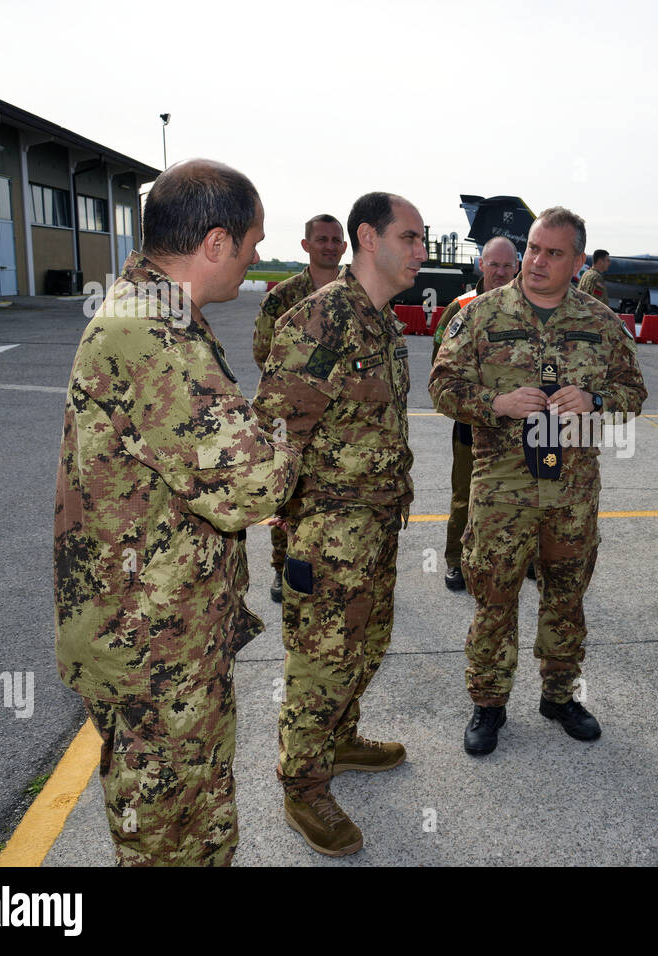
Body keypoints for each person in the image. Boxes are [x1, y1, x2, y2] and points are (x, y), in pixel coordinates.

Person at [54, 159, 300, 866]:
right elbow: (251, 482)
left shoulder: (160, 312)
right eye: (253, 242)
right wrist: (287, 432)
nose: (255, 260)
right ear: (216, 242)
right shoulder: (150, 329)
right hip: (150, 646)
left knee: (198, 813)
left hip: (170, 627)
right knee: (167, 834)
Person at [430, 207, 647, 756]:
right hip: (501, 492)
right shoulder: (479, 315)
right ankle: (488, 703)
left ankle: (559, 695)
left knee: (566, 598)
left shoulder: (601, 323)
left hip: (571, 494)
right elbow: (441, 387)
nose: (537, 261)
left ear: (577, 262)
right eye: (533, 248)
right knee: (494, 601)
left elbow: (634, 395)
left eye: (554, 253)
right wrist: (495, 403)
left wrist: (596, 401)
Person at [252, 191, 423, 856]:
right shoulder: (320, 321)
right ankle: (303, 783)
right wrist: (290, 533)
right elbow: (274, 435)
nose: (421, 250)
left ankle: (340, 736)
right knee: (319, 665)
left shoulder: (382, 323)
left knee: (368, 645)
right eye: (409, 237)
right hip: (327, 538)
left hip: (377, 528)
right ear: (368, 238)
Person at [254, 213, 347, 603]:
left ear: (345, 247)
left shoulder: (356, 294)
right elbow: (263, 353)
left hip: (344, 420)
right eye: (321, 239)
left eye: (335, 240)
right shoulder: (282, 297)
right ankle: (282, 568)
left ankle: (340, 565)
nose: (329, 246)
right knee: (288, 492)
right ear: (306, 245)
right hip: (293, 414)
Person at [430, 235, 520, 591]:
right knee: (466, 494)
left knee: (523, 495)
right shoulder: (462, 307)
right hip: (475, 422)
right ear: (481, 265)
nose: (500, 272)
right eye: (493, 264)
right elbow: (441, 369)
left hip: (524, 426)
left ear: (517, 267)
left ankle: (521, 558)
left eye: (507, 265)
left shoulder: (531, 305)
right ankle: (456, 560)